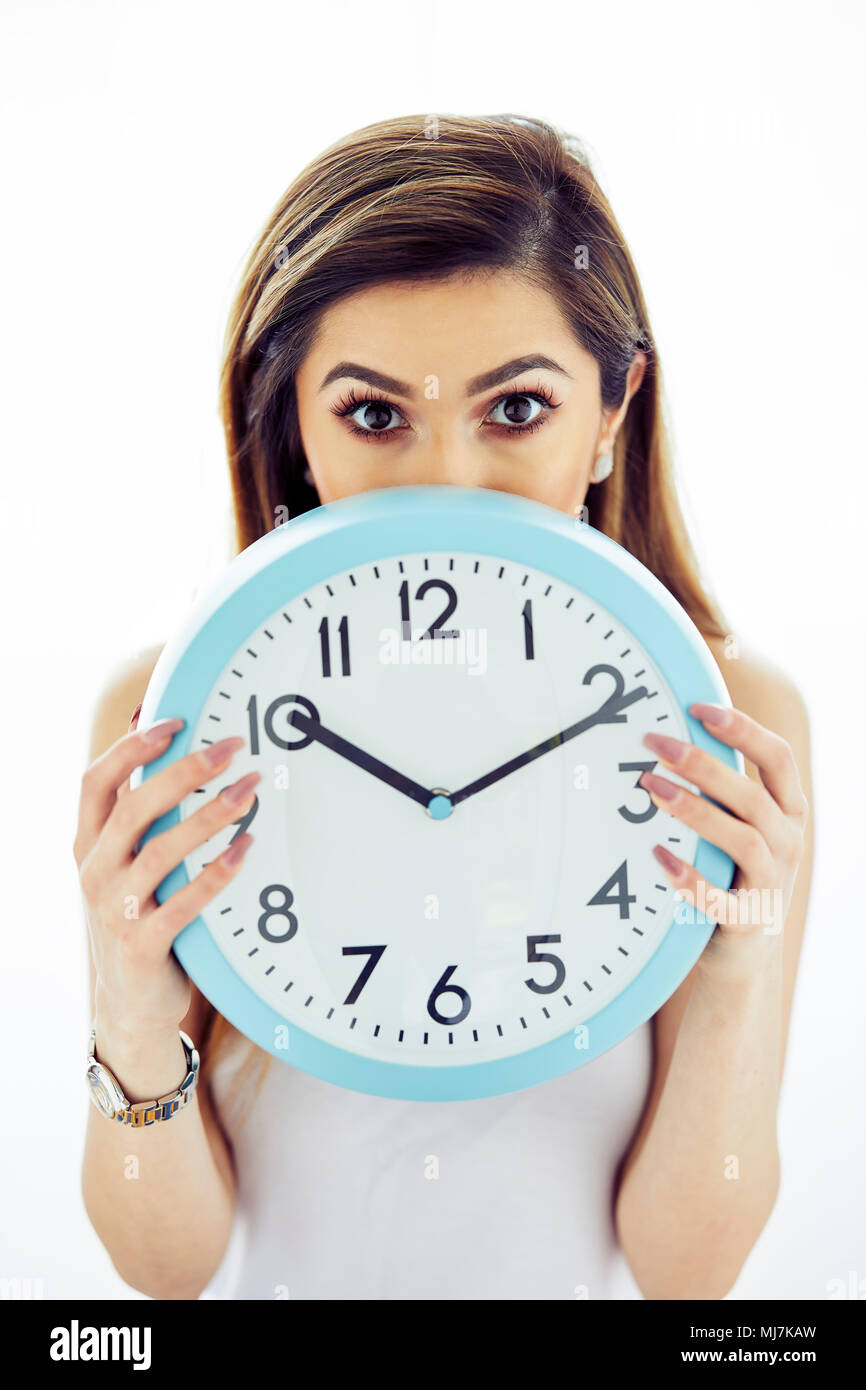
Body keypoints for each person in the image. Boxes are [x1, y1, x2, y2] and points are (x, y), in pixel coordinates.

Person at [75, 113, 813, 1301]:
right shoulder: (169, 711)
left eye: (513, 409)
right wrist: (126, 998)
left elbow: (688, 1277)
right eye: (374, 414)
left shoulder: (729, 715)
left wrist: (733, 975)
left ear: (610, 415)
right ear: (294, 426)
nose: (444, 483)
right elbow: (166, 1272)